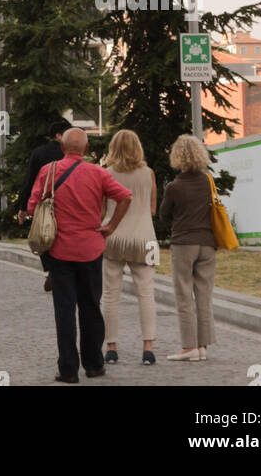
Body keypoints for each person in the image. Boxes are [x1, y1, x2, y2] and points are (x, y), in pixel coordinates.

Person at [26, 127, 132, 384]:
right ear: (86, 149)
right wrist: (111, 225)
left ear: (62, 147)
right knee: (91, 307)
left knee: (64, 311)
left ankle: (68, 369)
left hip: (59, 251)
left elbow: (31, 207)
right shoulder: (98, 173)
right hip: (90, 249)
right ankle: (94, 364)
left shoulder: (48, 171)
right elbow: (125, 197)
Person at [100, 130, 158, 365]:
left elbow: (102, 211)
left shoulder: (106, 174)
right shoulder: (148, 173)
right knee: (146, 293)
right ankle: (148, 347)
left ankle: (111, 347)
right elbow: (152, 209)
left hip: (113, 237)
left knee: (110, 294)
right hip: (144, 237)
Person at [159, 134, 218, 362]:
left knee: (184, 295)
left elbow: (164, 215)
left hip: (184, 243)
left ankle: (189, 346)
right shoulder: (208, 181)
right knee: (204, 296)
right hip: (207, 243)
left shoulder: (174, 187)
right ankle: (203, 347)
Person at [16, 118, 72, 291]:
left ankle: (52, 270)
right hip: (67, 204)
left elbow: (29, 180)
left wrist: (23, 207)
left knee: (44, 236)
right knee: (64, 237)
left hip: (44, 204)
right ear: (58, 135)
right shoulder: (69, 153)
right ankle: (61, 272)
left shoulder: (39, 153)